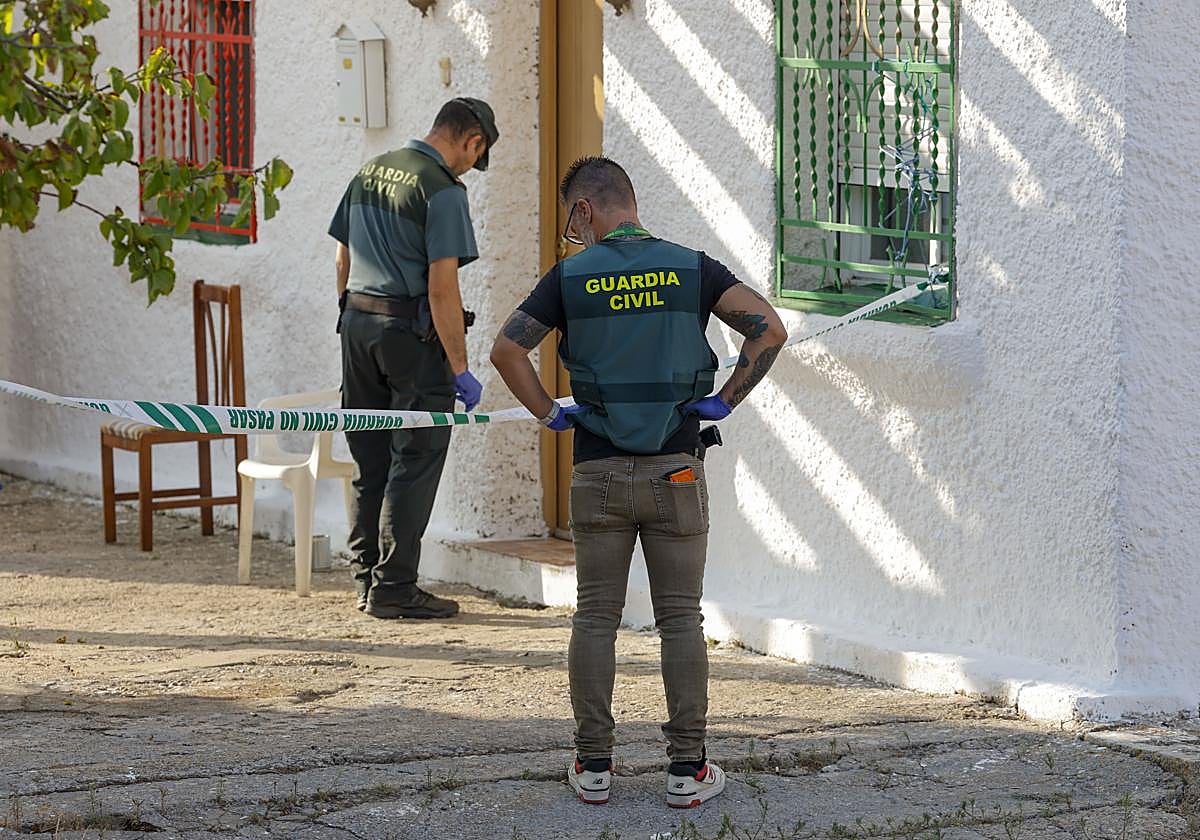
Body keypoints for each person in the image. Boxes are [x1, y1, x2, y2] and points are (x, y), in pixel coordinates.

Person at [490, 156, 787, 808]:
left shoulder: (568, 278)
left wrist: (549, 412)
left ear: (586, 209)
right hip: (676, 468)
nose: (573, 230)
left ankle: (593, 765)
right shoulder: (692, 267)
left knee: (596, 617)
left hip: (596, 470)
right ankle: (688, 771)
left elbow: (507, 350)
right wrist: (727, 399)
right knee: (681, 618)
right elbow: (769, 330)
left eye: (572, 217)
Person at [329, 98, 499, 620]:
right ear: (471, 140)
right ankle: (395, 586)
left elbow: (342, 257)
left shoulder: (369, 170)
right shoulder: (441, 189)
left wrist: (349, 316)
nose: (472, 165)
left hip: (357, 323)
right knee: (416, 458)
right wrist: (459, 367)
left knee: (370, 458)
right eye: (478, 155)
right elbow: (442, 288)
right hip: (411, 334)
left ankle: (365, 580)